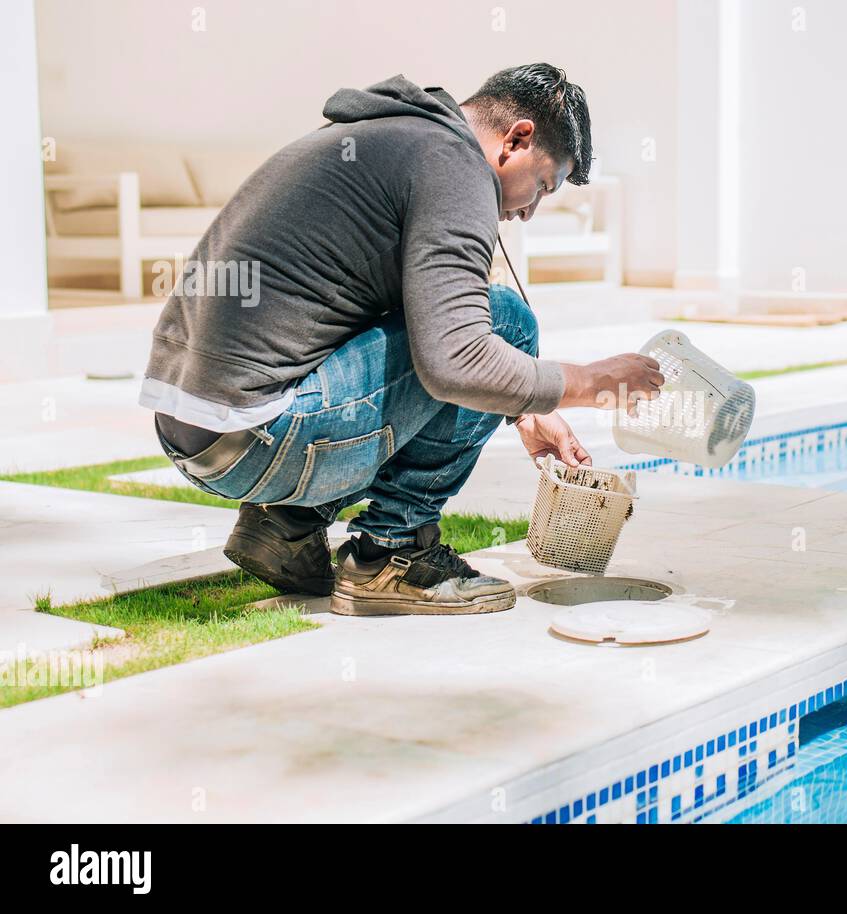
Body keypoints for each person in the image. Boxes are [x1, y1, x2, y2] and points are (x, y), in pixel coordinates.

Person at [141, 64, 663, 616]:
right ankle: (394, 555)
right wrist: (589, 382)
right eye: (541, 186)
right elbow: (456, 362)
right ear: (517, 138)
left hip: (195, 433)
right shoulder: (454, 164)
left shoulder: (390, 136)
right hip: (257, 435)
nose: (528, 212)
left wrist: (522, 410)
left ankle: (286, 525)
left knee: (453, 320)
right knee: (507, 321)